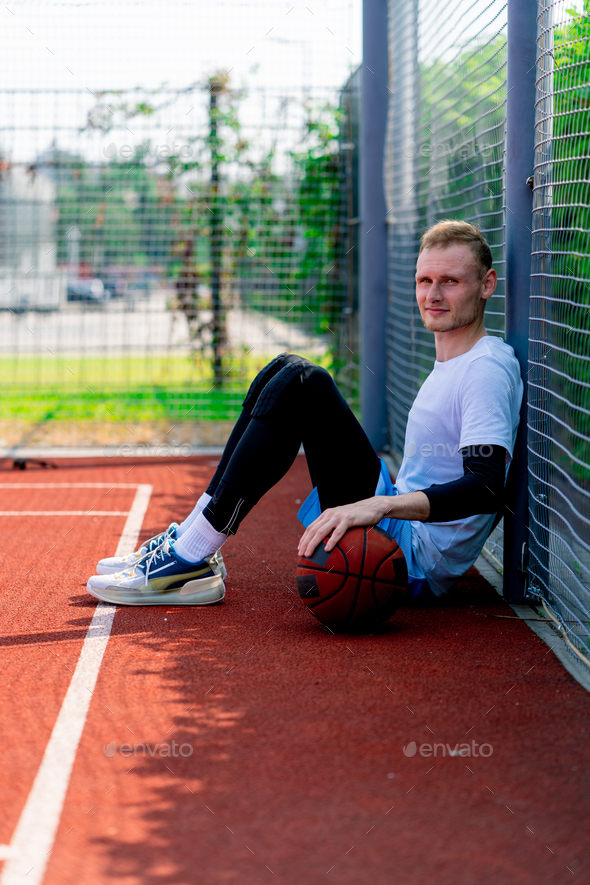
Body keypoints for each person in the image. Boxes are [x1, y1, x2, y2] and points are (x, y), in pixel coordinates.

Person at [87, 219, 523, 606]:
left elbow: (485, 489)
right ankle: (193, 534)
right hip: (401, 529)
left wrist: (379, 506)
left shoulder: (484, 368)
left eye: (451, 282)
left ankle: (191, 553)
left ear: (486, 284)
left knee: (303, 384)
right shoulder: (456, 360)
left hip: (412, 561)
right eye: (425, 280)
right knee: (286, 368)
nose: (433, 294)